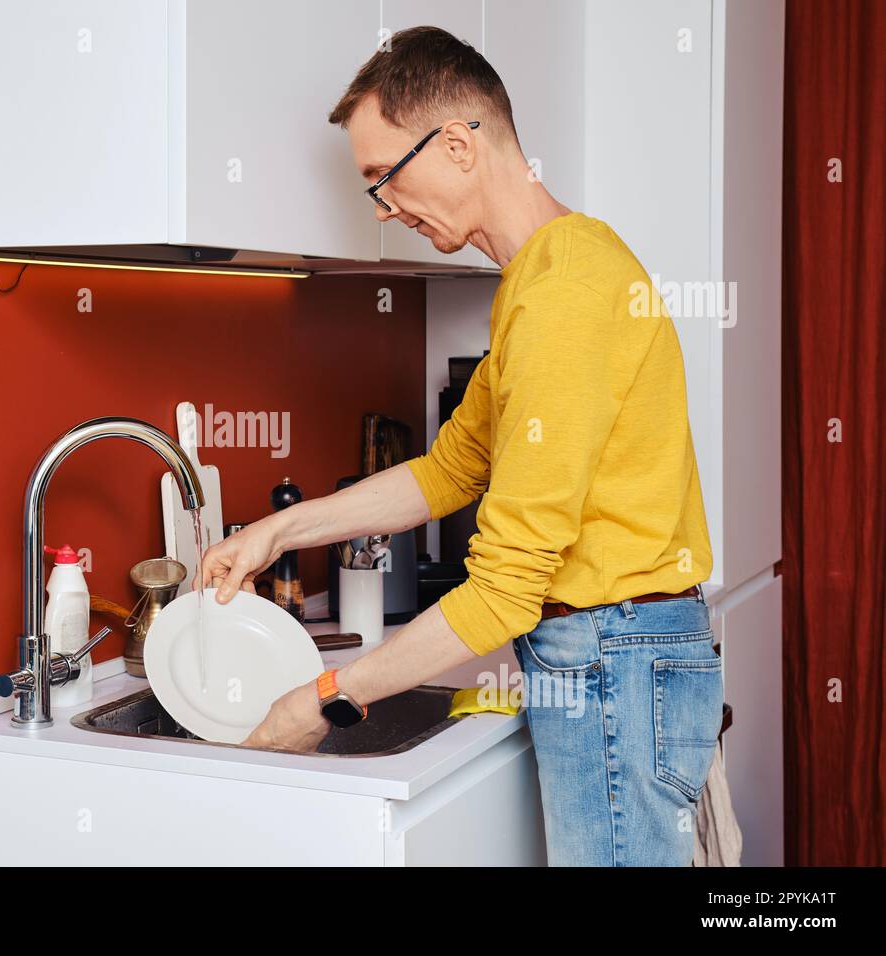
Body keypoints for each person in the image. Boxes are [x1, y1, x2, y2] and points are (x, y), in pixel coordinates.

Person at [198, 26, 722, 867]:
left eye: (383, 178)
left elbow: (506, 591)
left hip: (613, 662)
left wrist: (327, 697)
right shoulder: (544, 278)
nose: (383, 208)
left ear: (455, 144)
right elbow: (449, 470)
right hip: (613, 656)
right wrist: (279, 532)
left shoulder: (563, 297)